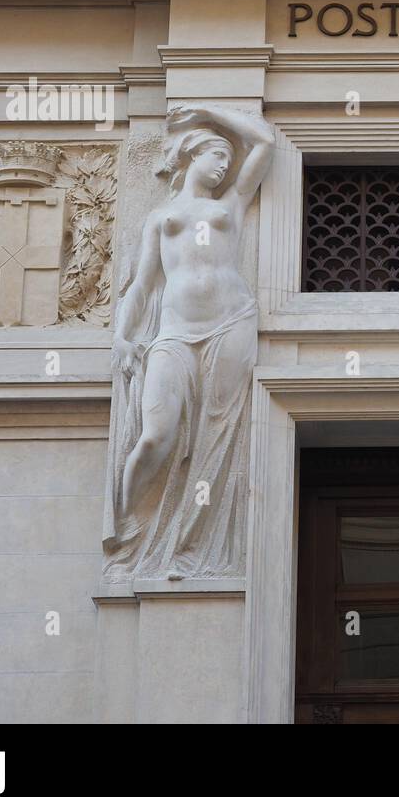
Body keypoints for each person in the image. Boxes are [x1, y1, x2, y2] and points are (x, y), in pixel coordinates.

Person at [103, 102, 275, 579]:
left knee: (213, 439)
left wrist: (207, 109)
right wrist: (121, 336)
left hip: (230, 323)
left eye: (226, 156)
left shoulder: (231, 206)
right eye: (215, 155)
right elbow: (140, 285)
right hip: (174, 333)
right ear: (190, 157)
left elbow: (264, 142)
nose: (223, 164)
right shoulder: (160, 218)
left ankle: (190, 548)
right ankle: (127, 532)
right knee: (156, 434)